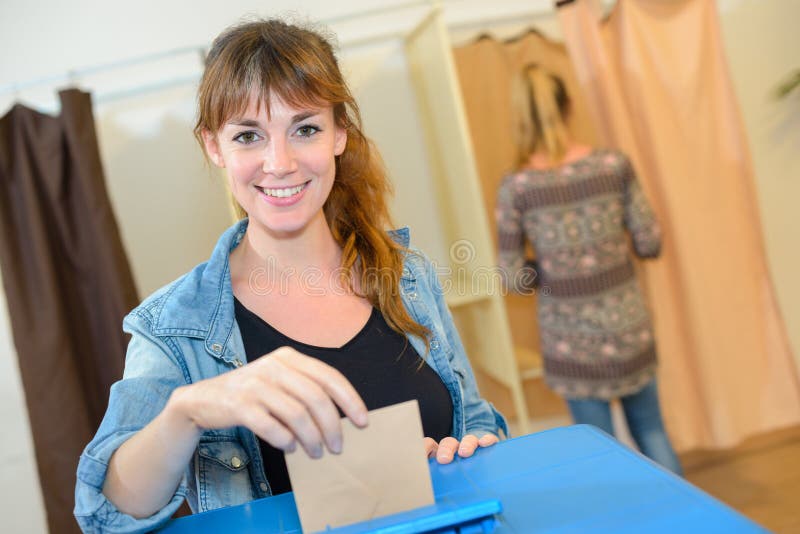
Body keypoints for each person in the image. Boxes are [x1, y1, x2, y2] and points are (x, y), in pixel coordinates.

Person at [74, 18, 507, 533]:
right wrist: (185, 411)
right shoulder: (174, 327)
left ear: (339, 134)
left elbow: (476, 419)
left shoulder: (407, 277)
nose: (279, 163)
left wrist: (473, 452)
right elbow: (105, 513)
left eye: (305, 129)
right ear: (215, 147)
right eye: (248, 136)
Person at [496, 64, 681, 475]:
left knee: (601, 456)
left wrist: (553, 270)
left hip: (570, 344)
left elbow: (512, 277)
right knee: (652, 433)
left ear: (521, 118)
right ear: (569, 107)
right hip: (629, 328)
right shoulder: (614, 166)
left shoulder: (518, 188)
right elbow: (650, 242)